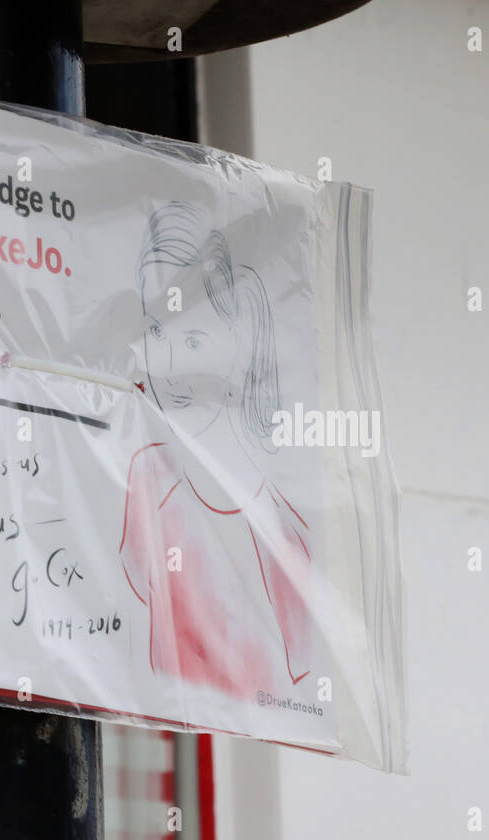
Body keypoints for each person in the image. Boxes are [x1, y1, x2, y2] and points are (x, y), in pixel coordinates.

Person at [120, 201, 312, 698]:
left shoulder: (287, 538)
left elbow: (296, 683)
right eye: (155, 334)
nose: (167, 364)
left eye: (196, 342)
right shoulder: (147, 478)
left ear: (239, 354)